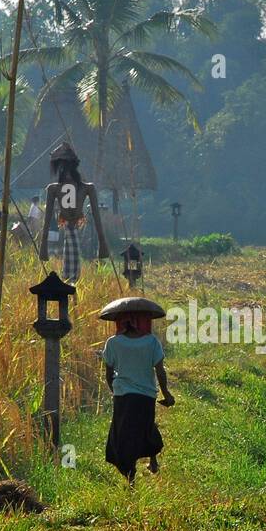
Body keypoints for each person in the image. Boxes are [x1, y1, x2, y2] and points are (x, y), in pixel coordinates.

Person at [103, 310, 174, 482]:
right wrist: (166, 394)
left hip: (123, 396)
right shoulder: (151, 342)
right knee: (145, 427)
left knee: (124, 435)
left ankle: (130, 475)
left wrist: (115, 391)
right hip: (146, 396)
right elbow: (160, 370)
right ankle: (152, 460)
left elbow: (108, 372)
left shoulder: (113, 343)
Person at [40, 143, 109, 283]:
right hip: (69, 226)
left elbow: (96, 216)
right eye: (64, 170)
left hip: (73, 226)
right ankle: (69, 285)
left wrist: (102, 242)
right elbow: (47, 219)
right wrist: (43, 246)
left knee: (72, 259)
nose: (67, 175)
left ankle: (70, 285)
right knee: (71, 259)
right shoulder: (54, 189)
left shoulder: (86, 188)